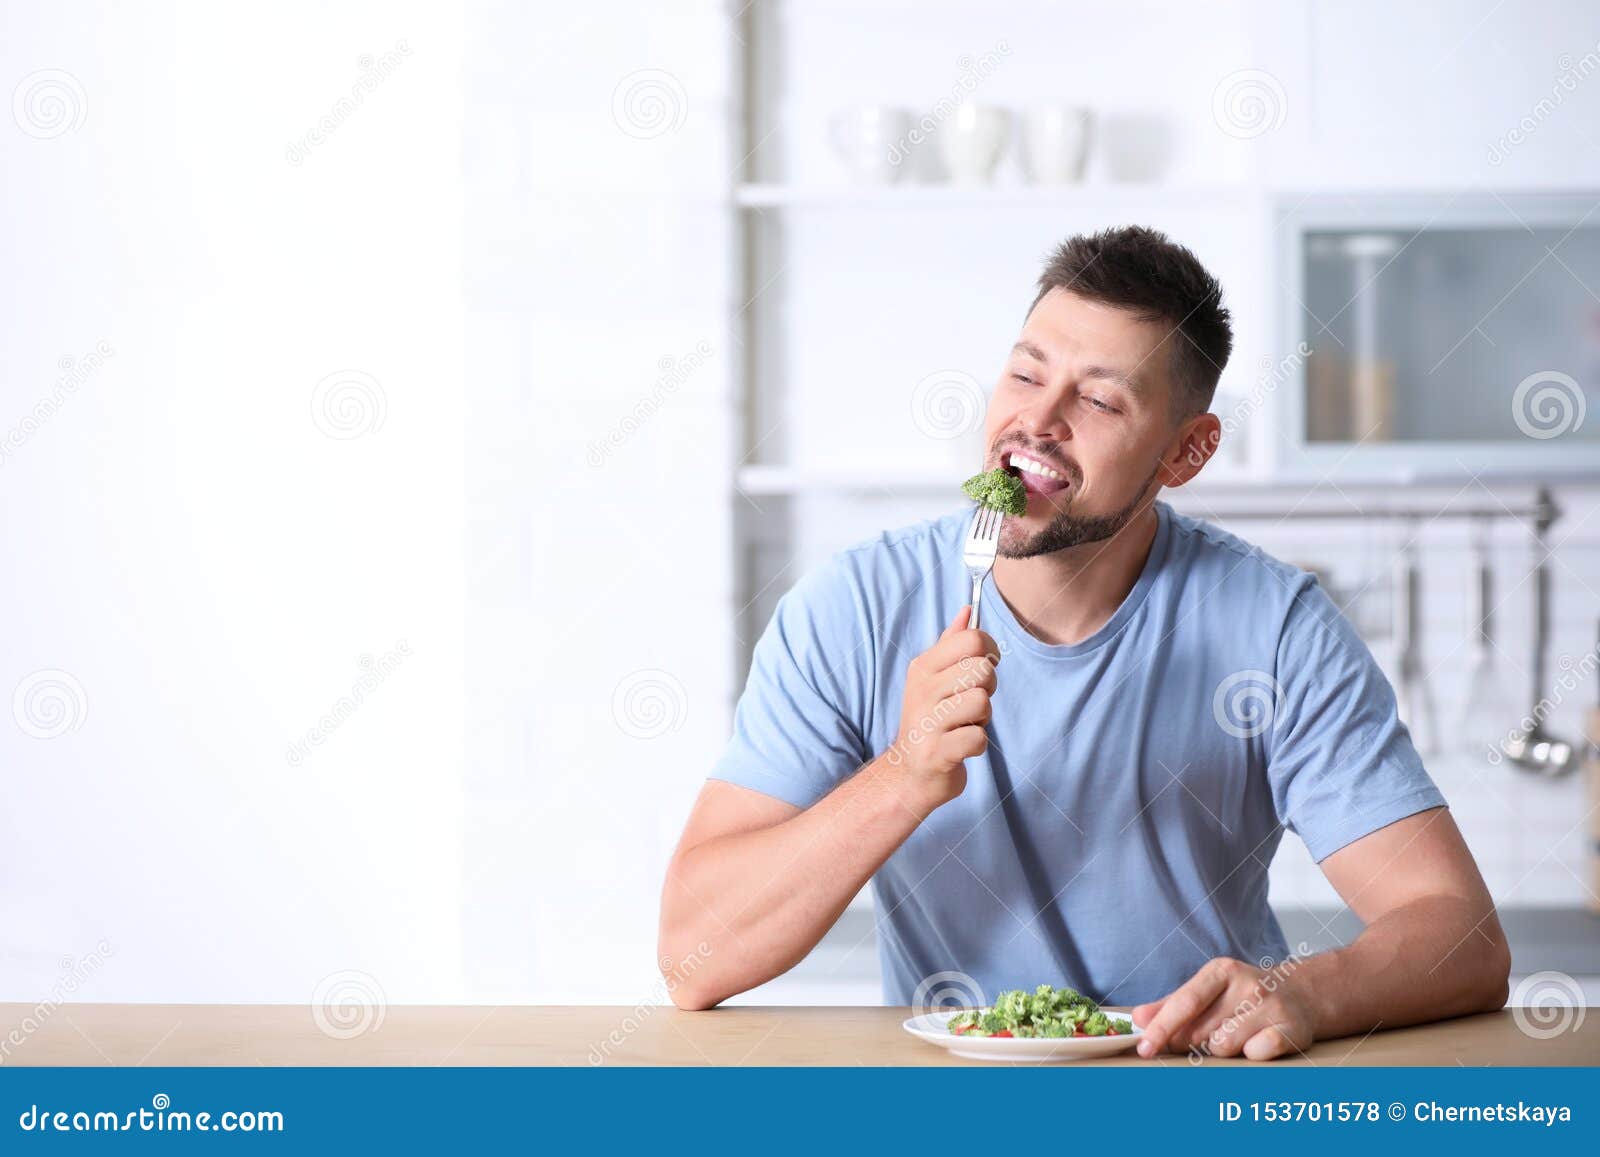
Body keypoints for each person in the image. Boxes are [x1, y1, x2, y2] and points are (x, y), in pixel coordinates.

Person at [657, 226, 1510, 1060]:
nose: (1038, 418)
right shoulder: (851, 610)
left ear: (1187, 451)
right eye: (1026, 372)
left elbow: (1462, 935)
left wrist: (1308, 992)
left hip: (1197, 1080)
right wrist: (902, 773)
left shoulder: (1277, 626)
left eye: (1100, 400)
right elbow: (692, 957)